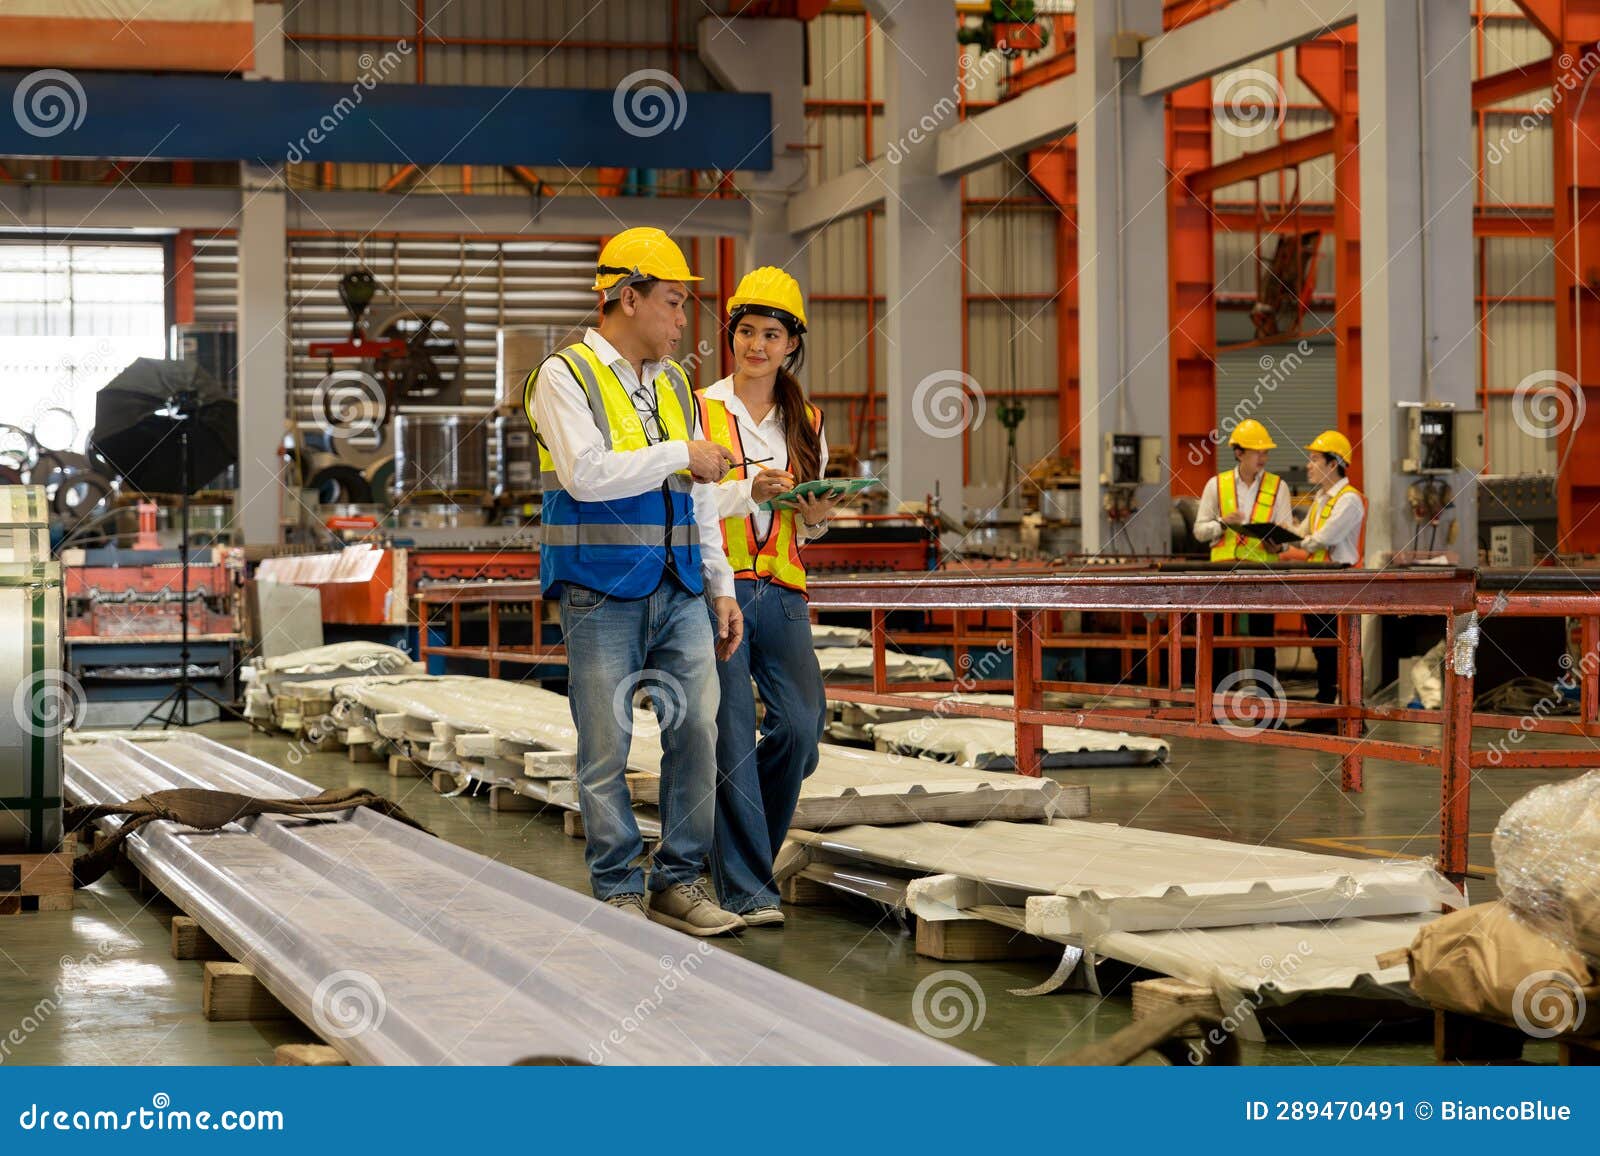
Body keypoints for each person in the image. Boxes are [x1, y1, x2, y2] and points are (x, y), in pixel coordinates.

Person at [528, 226, 748, 936]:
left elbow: (699, 495)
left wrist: (722, 585)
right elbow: (585, 475)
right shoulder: (565, 376)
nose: (685, 322)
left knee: (697, 733)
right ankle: (618, 885)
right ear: (628, 298)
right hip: (600, 590)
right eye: (675, 304)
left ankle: (680, 881)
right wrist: (681, 450)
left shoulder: (676, 384)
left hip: (681, 586)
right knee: (605, 744)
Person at [695, 267, 840, 927]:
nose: (757, 344)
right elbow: (684, 499)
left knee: (802, 729)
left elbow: (810, 522)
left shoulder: (806, 420)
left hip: (782, 591)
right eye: (747, 331)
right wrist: (744, 492)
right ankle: (747, 888)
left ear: (791, 344)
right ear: (733, 335)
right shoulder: (699, 408)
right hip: (717, 590)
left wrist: (820, 509)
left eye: (771, 333)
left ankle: (737, 860)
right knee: (729, 735)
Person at [1192, 419, 1294, 686]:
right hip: (1222, 573)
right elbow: (1199, 531)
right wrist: (1223, 522)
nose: (1263, 457)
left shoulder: (1278, 487)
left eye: (1266, 452)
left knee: (1263, 641)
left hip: (1263, 572)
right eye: (1257, 451)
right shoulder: (1216, 485)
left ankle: (1267, 708)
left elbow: (1288, 533)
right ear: (1239, 453)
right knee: (1217, 640)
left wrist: (1279, 544)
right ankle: (1213, 705)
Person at [1279, 430, 1366, 712]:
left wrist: (1288, 540)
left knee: (1334, 647)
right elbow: (1303, 533)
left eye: (1314, 459)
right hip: (1319, 580)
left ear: (1333, 464)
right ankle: (1326, 709)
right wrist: (1278, 536)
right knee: (1322, 646)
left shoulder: (1349, 500)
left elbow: (1321, 539)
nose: (1308, 465)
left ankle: (1342, 710)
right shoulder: (1320, 499)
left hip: (1340, 581)